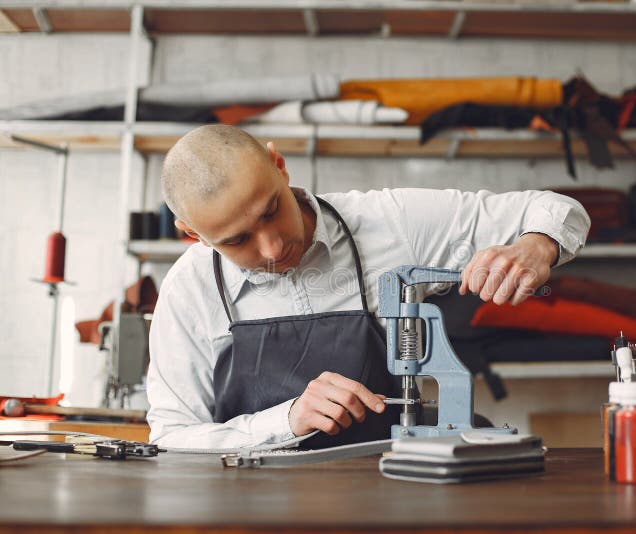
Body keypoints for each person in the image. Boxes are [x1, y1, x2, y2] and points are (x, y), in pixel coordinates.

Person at [147, 124, 590, 449]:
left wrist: (536, 246)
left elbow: (554, 208)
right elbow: (172, 436)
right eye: (237, 240)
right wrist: (287, 419)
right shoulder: (190, 291)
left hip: (392, 493)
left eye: (270, 211)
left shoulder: (391, 222)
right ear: (193, 235)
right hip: (252, 510)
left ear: (279, 167)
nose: (274, 245)